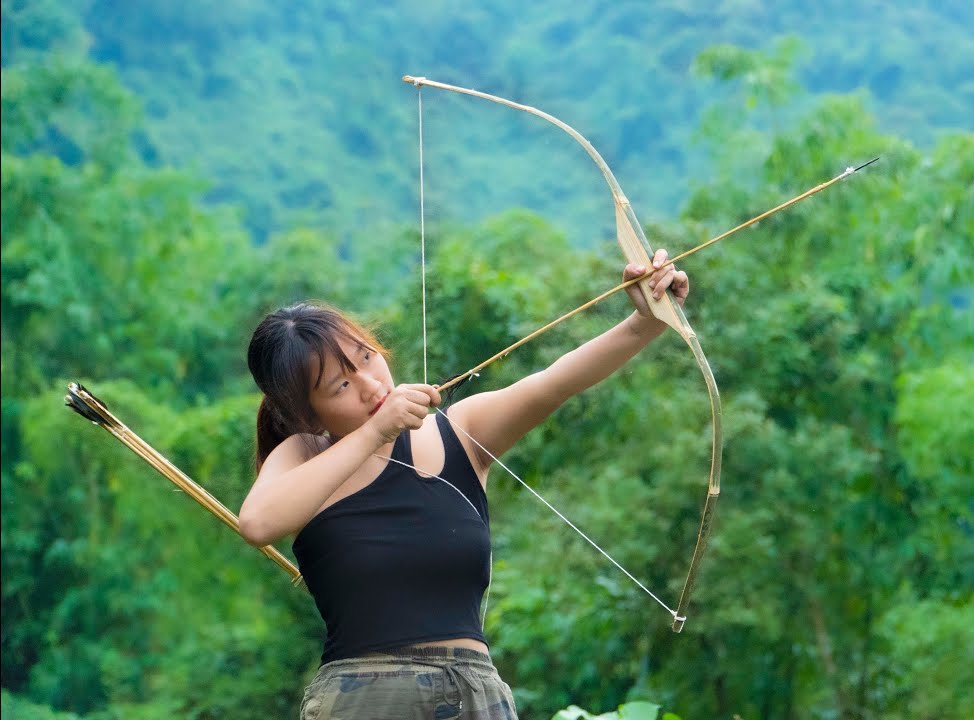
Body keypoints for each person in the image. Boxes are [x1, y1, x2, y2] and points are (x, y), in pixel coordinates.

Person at [238, 249, 690, 720]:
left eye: (367, 358)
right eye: (340, 386)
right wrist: (376, 430)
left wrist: (647, 320)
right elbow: (257, 523)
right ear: (307, 413)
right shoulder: (303, 453)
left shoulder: (459, 430)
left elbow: (554, 382)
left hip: (477, 695)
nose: (372, 384)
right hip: (365, 698)